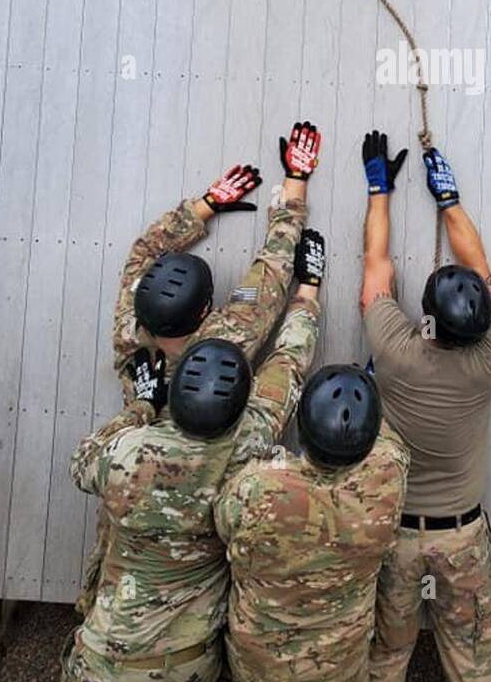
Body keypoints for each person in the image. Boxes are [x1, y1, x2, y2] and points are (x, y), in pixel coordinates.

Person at [53, 211, 326, 682]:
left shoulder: (127, 457)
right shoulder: (251, 441)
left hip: (101, 669)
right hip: (188, 668)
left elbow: (80, 461)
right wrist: (308, 289)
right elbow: (289, 359)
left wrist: (140, 407)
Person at [73, 122, 320, 616]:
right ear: (207, 310)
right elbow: (273, 269)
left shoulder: (130, 334)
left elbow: (144, 254)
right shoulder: (228, 337)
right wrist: (295, 181)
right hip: (202, 496)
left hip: (136, 496)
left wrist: (206, 204)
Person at [215, 234, 410, 682]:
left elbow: (222, 523)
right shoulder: (387, 480)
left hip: (260, 659)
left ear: (298, 428)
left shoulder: (257, 488)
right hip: (339, 660)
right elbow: (387, 444)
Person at [357, 132, 491, 682]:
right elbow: (479, 263)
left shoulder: (395, 348)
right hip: (462, 538)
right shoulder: (490, 349)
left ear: (427, 317)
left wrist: (379, 189)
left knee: (387, 658)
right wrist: (449, 199)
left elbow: (376, 268)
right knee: (474, 669)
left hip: (395, 535)